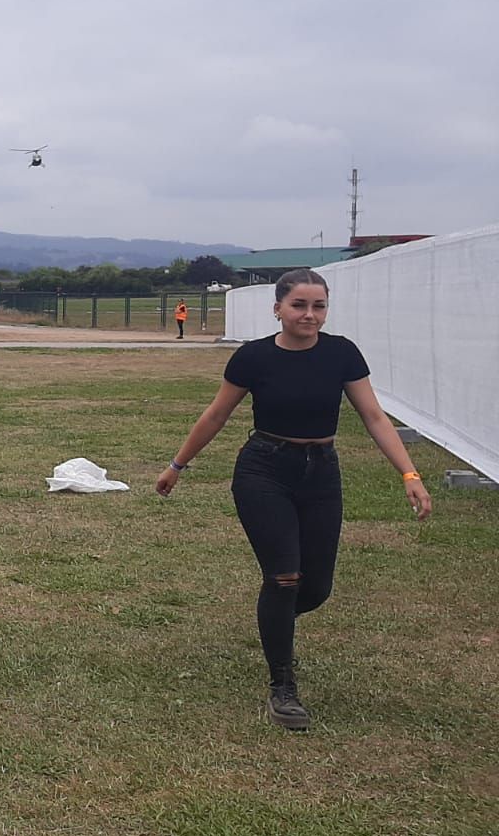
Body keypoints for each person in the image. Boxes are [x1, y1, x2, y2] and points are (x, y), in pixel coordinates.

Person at [155, 269, 431, 731]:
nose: (309, 315)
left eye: (318, 306)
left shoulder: (342, 353)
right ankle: (282, 685)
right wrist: (177, 465)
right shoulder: (253, 357)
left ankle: (274, 621)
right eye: (299, 305)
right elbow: (217, 414)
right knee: (284, 576)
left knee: (315, 587)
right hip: (264, 469)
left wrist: (410, 473)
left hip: (321, 473)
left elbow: (374, 417)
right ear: (278, 308)